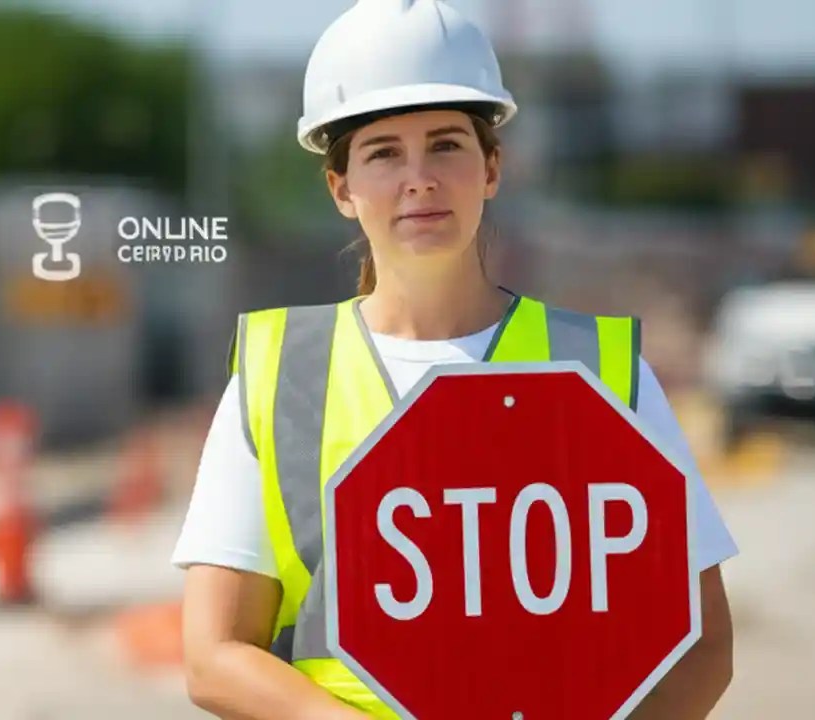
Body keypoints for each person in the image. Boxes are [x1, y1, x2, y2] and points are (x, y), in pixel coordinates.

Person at [171, 1, 738, 718]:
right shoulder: (279, 377)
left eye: (446, 145)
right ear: (341, 188)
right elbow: (214, 655)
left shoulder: (604, 374)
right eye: (382, 152)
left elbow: (702, 641)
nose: (420, 178)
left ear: (492, 167)